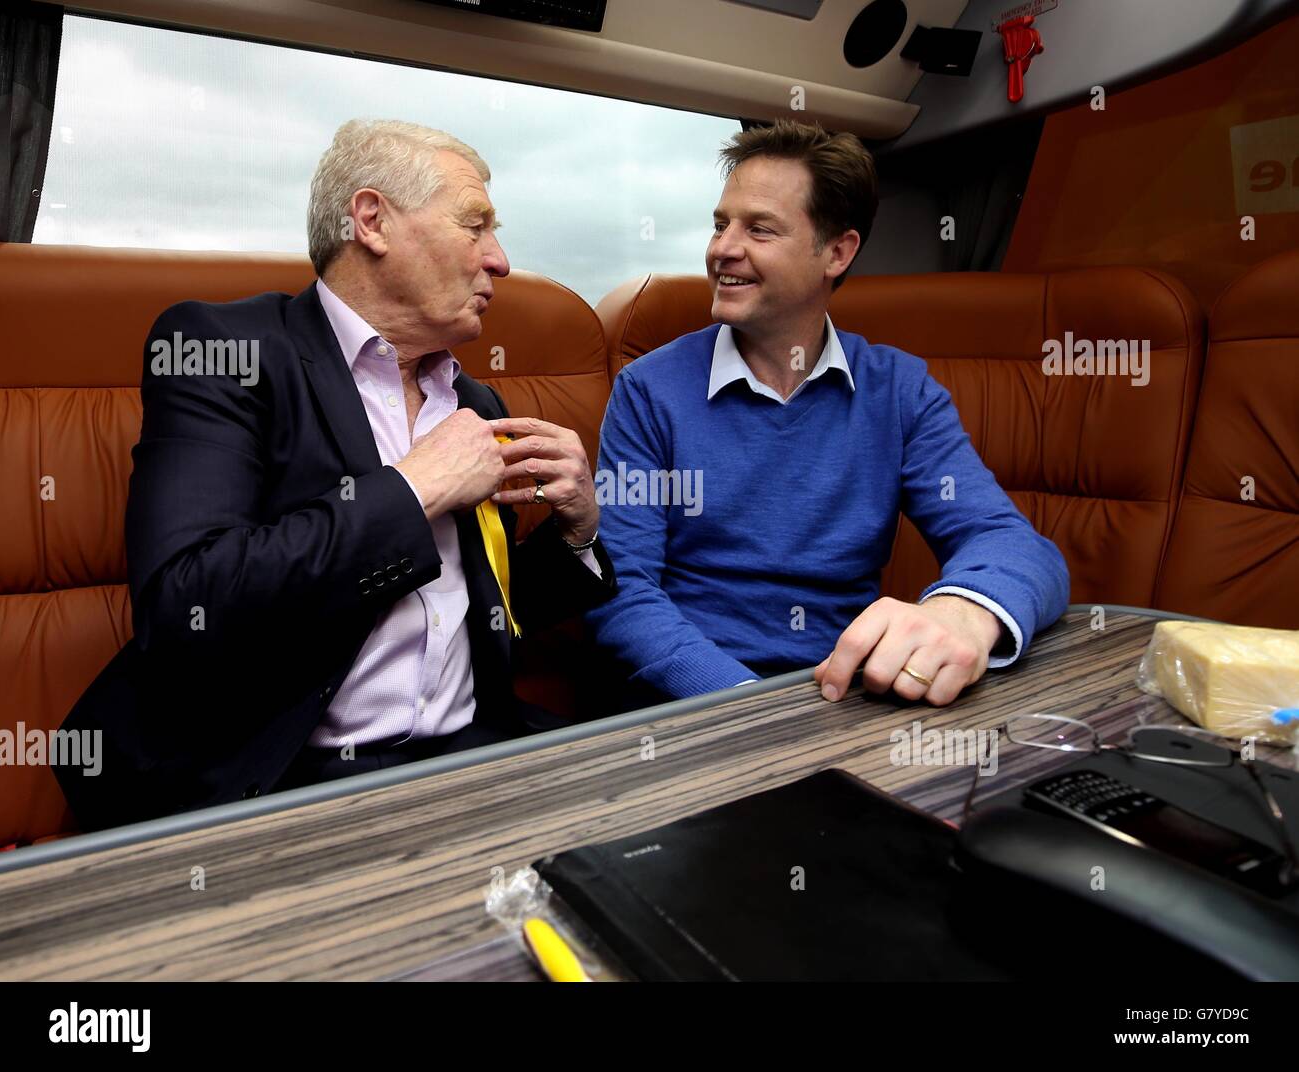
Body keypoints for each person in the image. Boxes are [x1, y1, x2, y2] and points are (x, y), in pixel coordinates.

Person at [56, 119, 615, 830]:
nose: (499, 260)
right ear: (372, 220)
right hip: (283, 778)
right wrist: (416, 491)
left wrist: (578, 531)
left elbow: (480, 607)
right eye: (475, 225)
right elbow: (185, 602)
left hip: (474, 755)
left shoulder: (477, 402)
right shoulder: (222, 349)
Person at [587, 119, 1068, 708]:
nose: (722, 249)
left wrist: (964, 612)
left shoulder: (900, 390)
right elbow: (620, 590)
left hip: (846, 697)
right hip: (694, 705)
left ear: (837, 252)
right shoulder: (648, 389)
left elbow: (1008, 541)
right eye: (720, 224)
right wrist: (744, 703)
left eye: (759, 229)